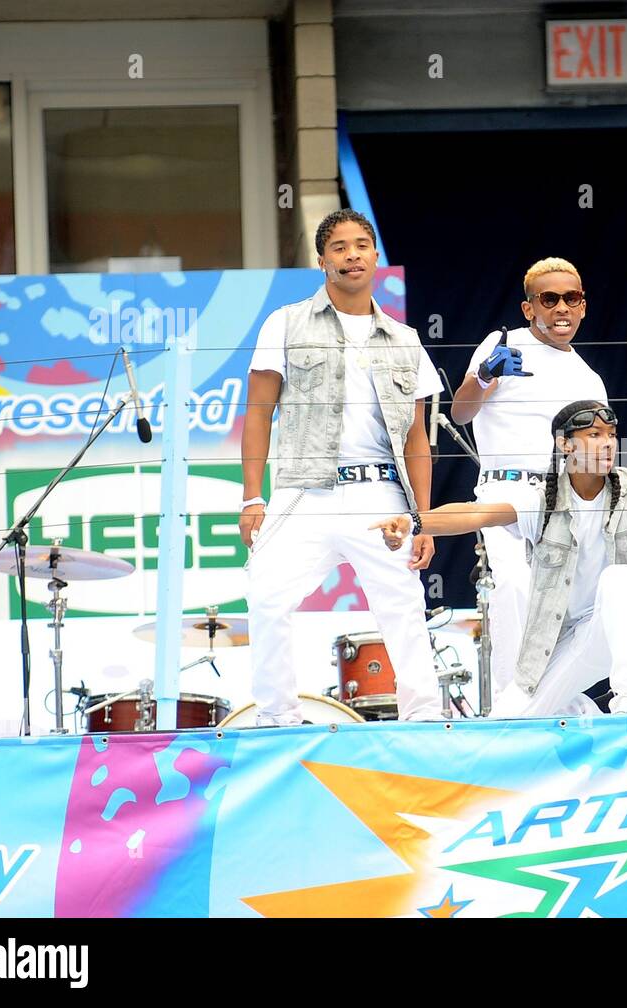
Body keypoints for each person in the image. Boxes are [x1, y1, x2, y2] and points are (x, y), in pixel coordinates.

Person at [372, 401, 627, 719]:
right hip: (566, 638)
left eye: (610, 434)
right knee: (511, 725)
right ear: (564, 443)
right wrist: (413, 521)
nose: (606, 442)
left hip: (626, 626)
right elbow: (475, 512)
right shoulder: (541, 498)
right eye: (592, 435)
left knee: (621, 579)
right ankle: (587, 718)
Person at [239, 208, 444, 724]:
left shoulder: (406, 339)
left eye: (361, 245)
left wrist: (423, 519)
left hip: (380, 495)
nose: (351, 255)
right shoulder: (284, 323)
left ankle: (423, 721)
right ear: (321, 259)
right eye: (339, 247)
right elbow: (259, 414)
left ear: (375, 256)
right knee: (265, 597)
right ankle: (276, 721)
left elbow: (418, 438)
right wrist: (251, 496)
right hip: (303, 491)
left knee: (403, 609)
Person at [449, 258, 609, 699]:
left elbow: (596, 454)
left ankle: (556, 698)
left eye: (571, 298)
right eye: (549, 298)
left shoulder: (588, 378)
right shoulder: (502, 345)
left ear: (583, 307)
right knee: (515, 589)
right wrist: (484, 375)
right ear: (528, 308)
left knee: (570, 602)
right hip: (504, 489)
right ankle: (510, 703)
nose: (561, 308)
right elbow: (461, 413)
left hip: (562, 498)